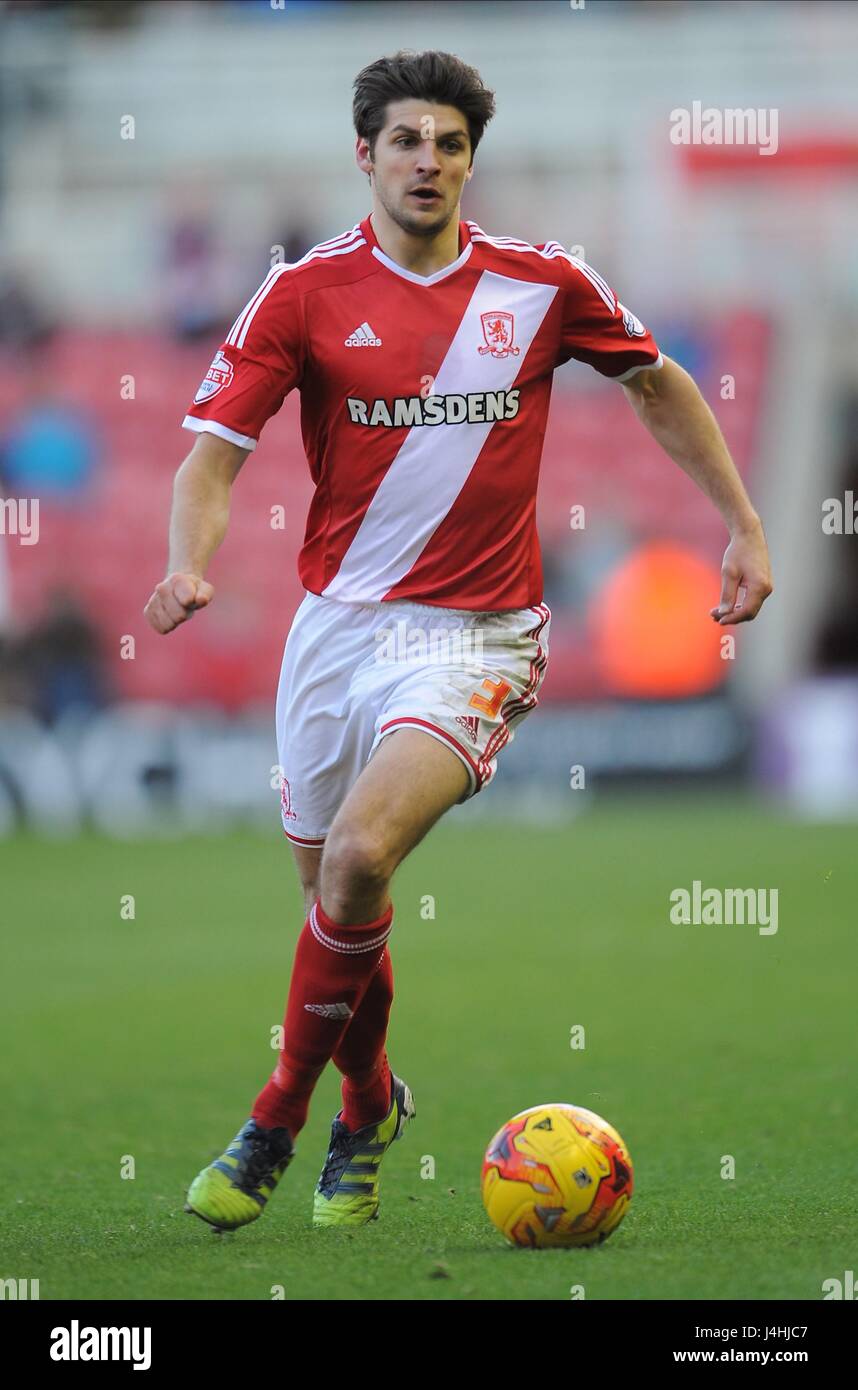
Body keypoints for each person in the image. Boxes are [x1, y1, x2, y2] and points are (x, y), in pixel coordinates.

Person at [143, 50, 772, 1233]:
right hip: (335, 635)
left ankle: (275, 1120)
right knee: (334, 898)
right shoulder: (301, 293)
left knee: (359, 857)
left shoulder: (542, 282)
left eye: (448, 143)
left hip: (477, 636)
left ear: (471, 159)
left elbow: (657, 385)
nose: (427, 161)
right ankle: (370, 1105)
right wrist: (188, 563)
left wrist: (741, 523)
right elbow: (212, 458)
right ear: (364, 155)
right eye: (405, 141)